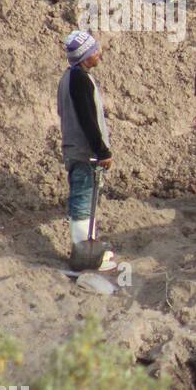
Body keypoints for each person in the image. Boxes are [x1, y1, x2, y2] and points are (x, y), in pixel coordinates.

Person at [57, 30, 116, 270]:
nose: (98, 54)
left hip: (77, 149)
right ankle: (86, 259)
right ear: (83, 56)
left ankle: (89, 251)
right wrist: (102, 151)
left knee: (85, 198)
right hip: (84, 152)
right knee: (83, 201)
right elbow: (87, 120)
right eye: (93, 51)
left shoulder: (69, 77)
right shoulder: (80, 80)